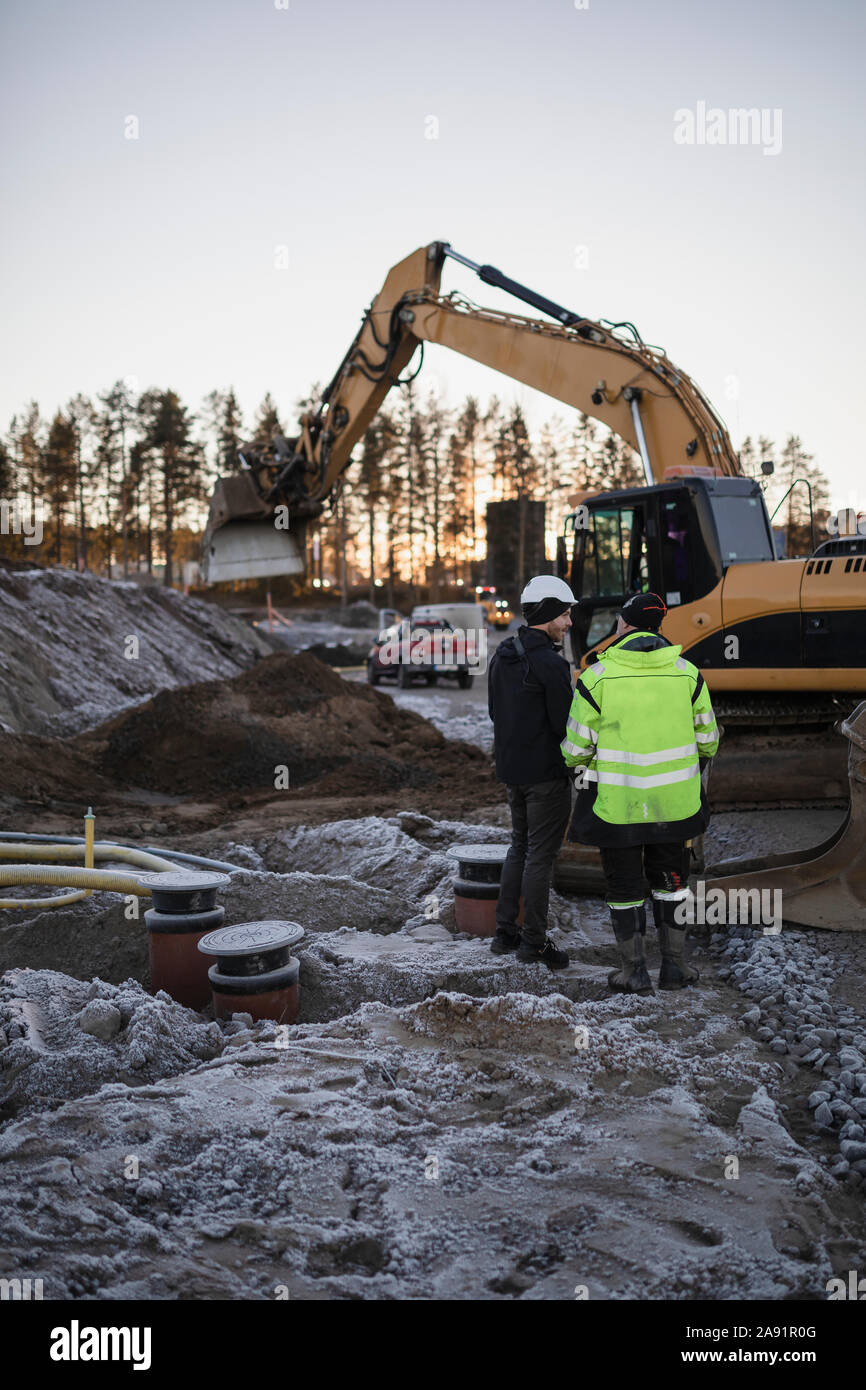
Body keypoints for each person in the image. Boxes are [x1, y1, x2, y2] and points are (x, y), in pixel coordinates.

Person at [561, 592, 720, 994]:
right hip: (675, 806)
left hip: (619, 809)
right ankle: (676, 968)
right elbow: (709, 741)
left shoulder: (596, 677)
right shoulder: (688, 674)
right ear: (658, 628)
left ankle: (634, 972)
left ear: (625, 626)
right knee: (672, 881)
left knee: (625, 887)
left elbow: (575, 750)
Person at [487, 575, 575, 969]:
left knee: (519, 847)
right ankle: (534, 943)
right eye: (566, 613)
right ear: (550, 613)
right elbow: (565, 726)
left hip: (512, 772)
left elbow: (494, 713)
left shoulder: (504, 654)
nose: (570, 621)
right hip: (545, 776)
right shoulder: (550, 664)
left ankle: (505, 932)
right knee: (541, 855)